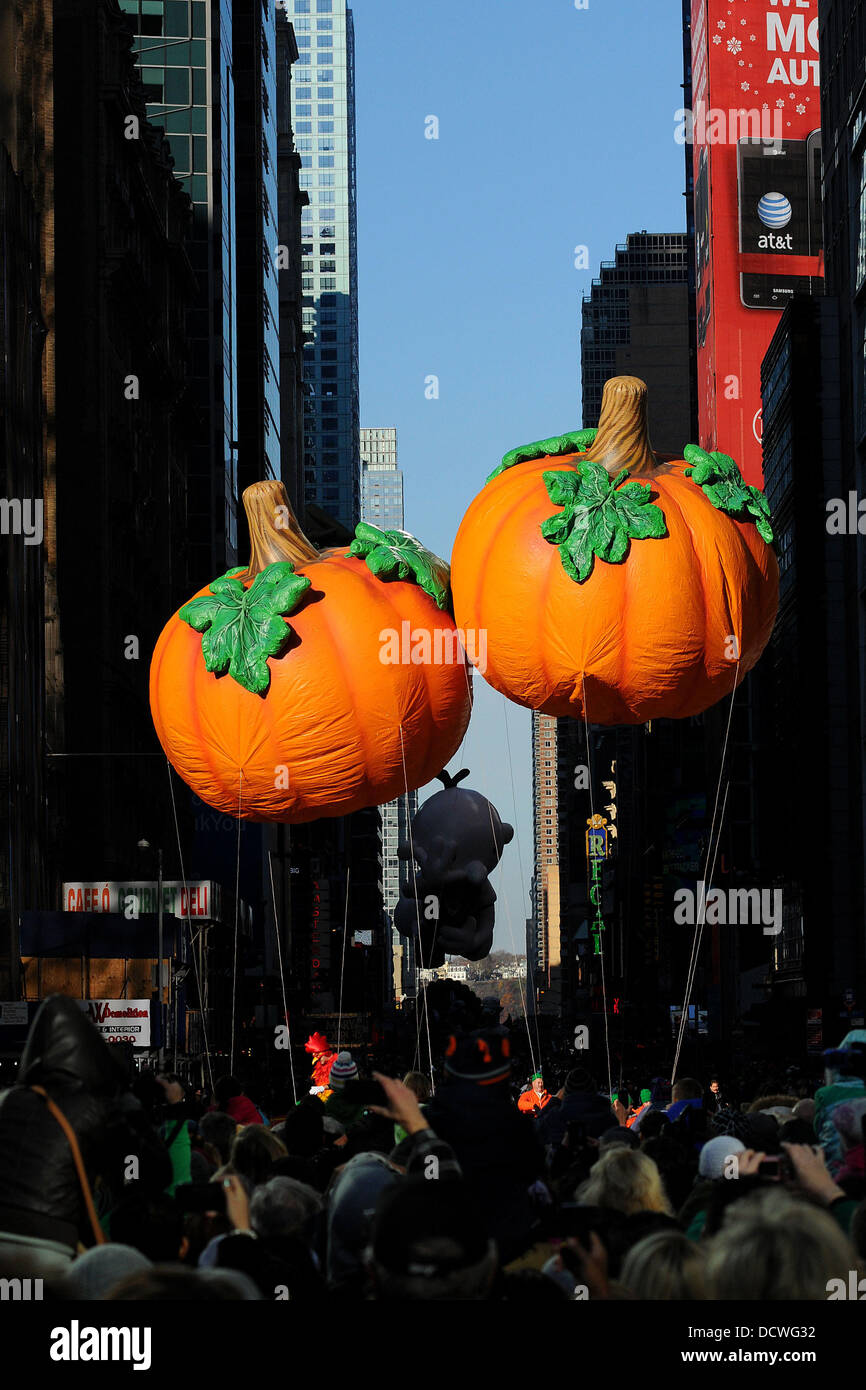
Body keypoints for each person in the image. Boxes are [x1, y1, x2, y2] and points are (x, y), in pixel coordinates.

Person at [535, 1066, 616, 1147]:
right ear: (593, 1088)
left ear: (565, 1091)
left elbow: (537, 1129)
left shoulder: (555, 1117)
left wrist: (555, 1100)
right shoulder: (607, 1117)